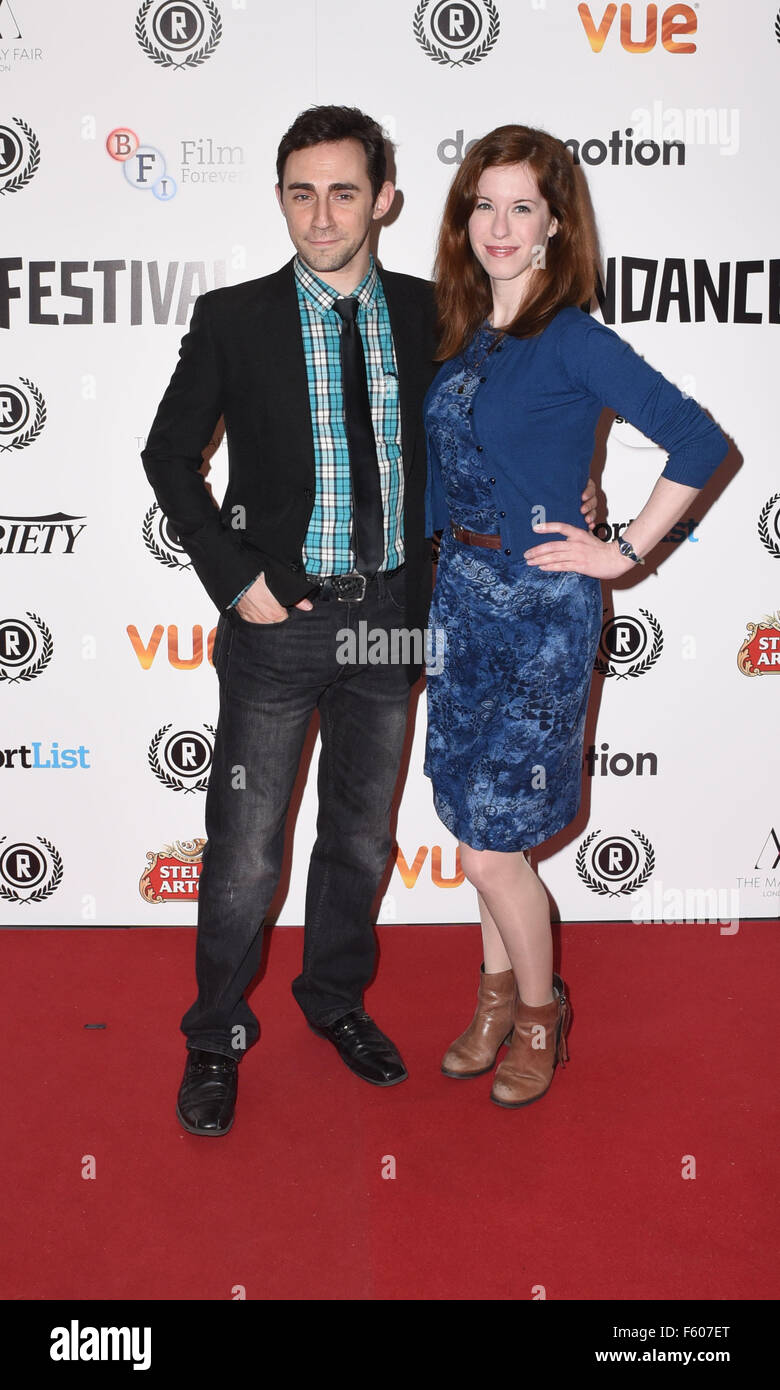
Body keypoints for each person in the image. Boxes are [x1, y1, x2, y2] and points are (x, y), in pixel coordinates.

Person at [142, 107, 597, 1137]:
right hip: (276, 623)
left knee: (358, 838)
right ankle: (214, 1034)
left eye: (344, 190)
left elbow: (528, 406)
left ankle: (334, 1000)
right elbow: (168, 457)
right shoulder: (233, 319)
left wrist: (584, 495)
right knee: (247, 849)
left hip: (394, 615)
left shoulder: (435, 312)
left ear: (384, 197)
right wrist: (233, 573)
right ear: (280, 198)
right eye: (301, 191)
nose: (321, 214)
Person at [423, 124, 729, 1109]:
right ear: (464, 218)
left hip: (541, 615)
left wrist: (626, 546)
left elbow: (697, 439)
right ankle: (493, 998)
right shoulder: (470, 331)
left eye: (524, 207)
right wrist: (580, 478)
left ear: (556, 225)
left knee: (487, 847)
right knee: (479, 827)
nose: (502, 225)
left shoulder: (575, 336)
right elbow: (508, 446)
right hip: (463, 604)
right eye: (486, 204)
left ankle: (541, 1015)